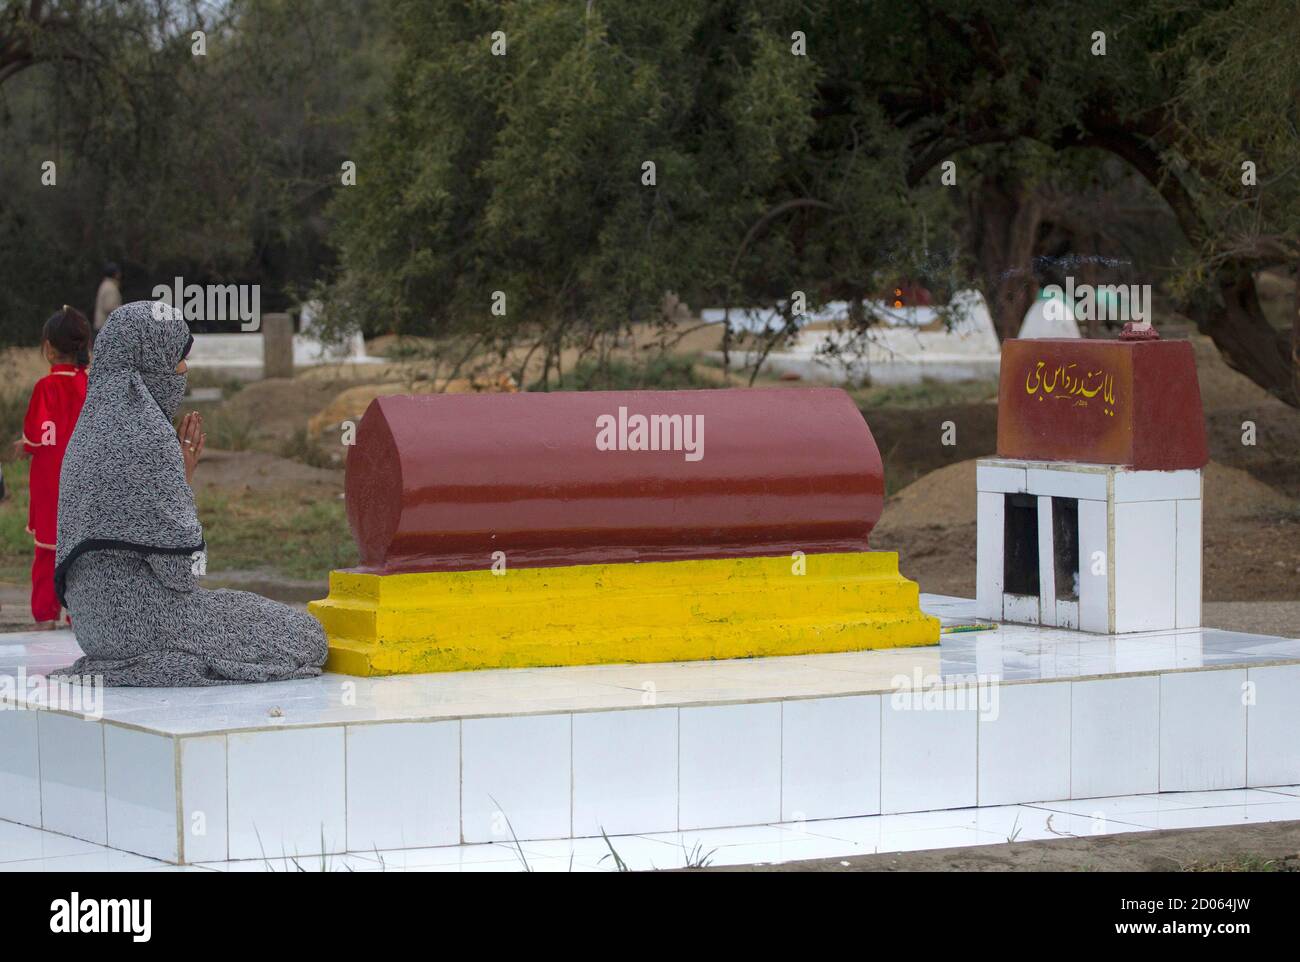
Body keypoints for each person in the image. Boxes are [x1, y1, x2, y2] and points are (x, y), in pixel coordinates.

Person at [53, 300, 327, 686]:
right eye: (178, 359)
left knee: (240, 608)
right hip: (144, 625)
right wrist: (181, 479)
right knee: (305, 637)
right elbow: (184, 572)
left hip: (92, 629)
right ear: (150, 360)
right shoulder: (149, 435)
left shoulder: (88, 430)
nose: (184, 371)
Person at [11, 307, 91, 628]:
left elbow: (35, 435)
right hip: (85, 484)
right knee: (82, 554)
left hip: (49, 487)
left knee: (47, 554)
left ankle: (45, 616)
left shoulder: (45, 388)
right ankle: (80, 614)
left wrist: (24, 446)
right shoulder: (92, 385)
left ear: (48, 348)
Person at [93, 263, 123, 332]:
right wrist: (123, 309)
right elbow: (108, 307)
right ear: (116, 274)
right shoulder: (110, 287)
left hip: (102, 326)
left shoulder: (105, 284)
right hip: (105, 328)